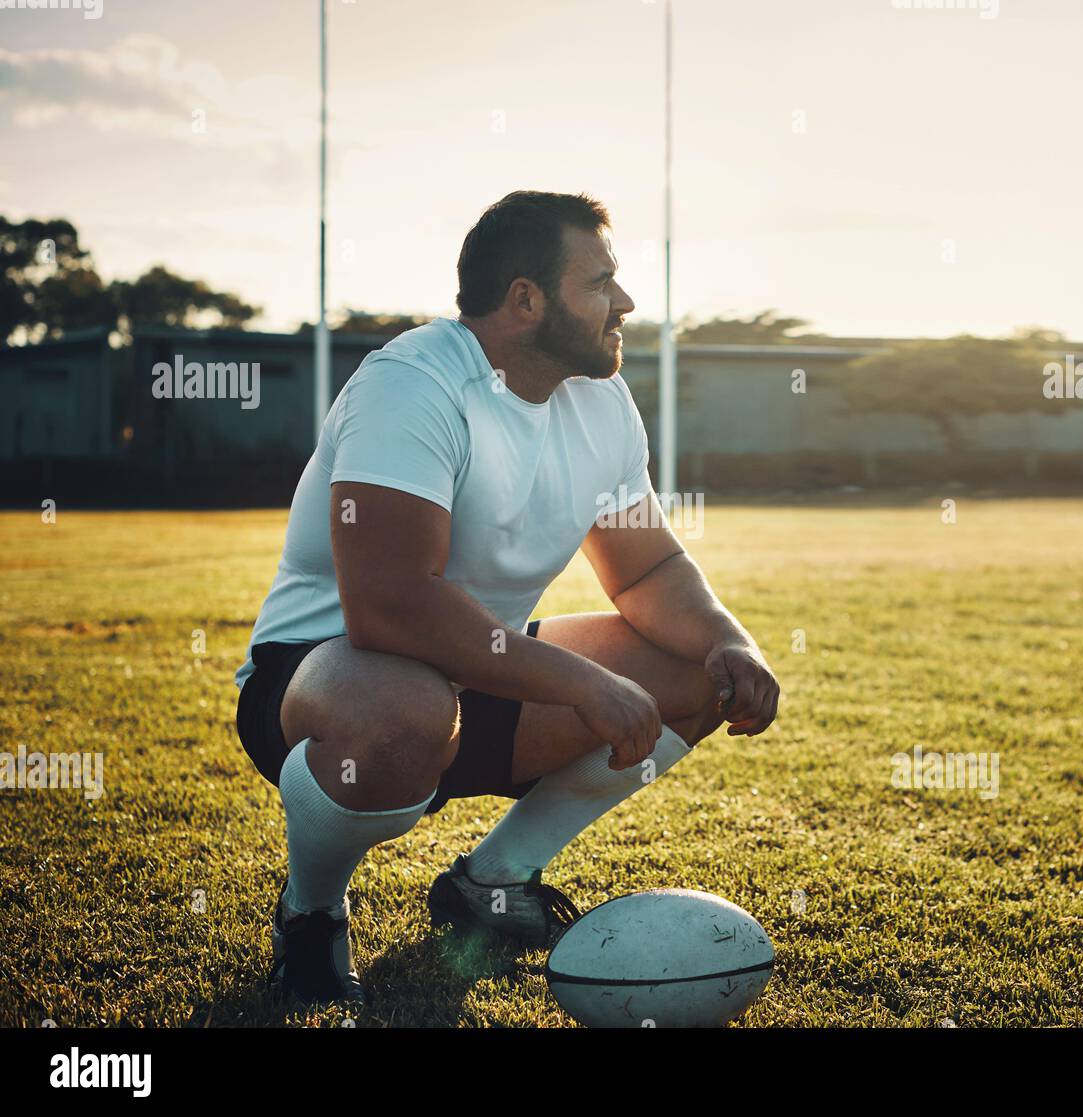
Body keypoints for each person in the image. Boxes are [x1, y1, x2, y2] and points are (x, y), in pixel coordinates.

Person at [233, 190, 780, 1006]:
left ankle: (493, 883)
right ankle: (311, 909)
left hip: (479, 670)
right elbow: (388, 607)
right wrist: (582, 682)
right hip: (329, 677)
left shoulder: (600, 400)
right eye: (600, 282)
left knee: (697, 669)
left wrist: (731, 640)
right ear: (526, 299)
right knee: (402, 709)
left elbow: (644, 570)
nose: (624, 302)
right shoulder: (413, 384)